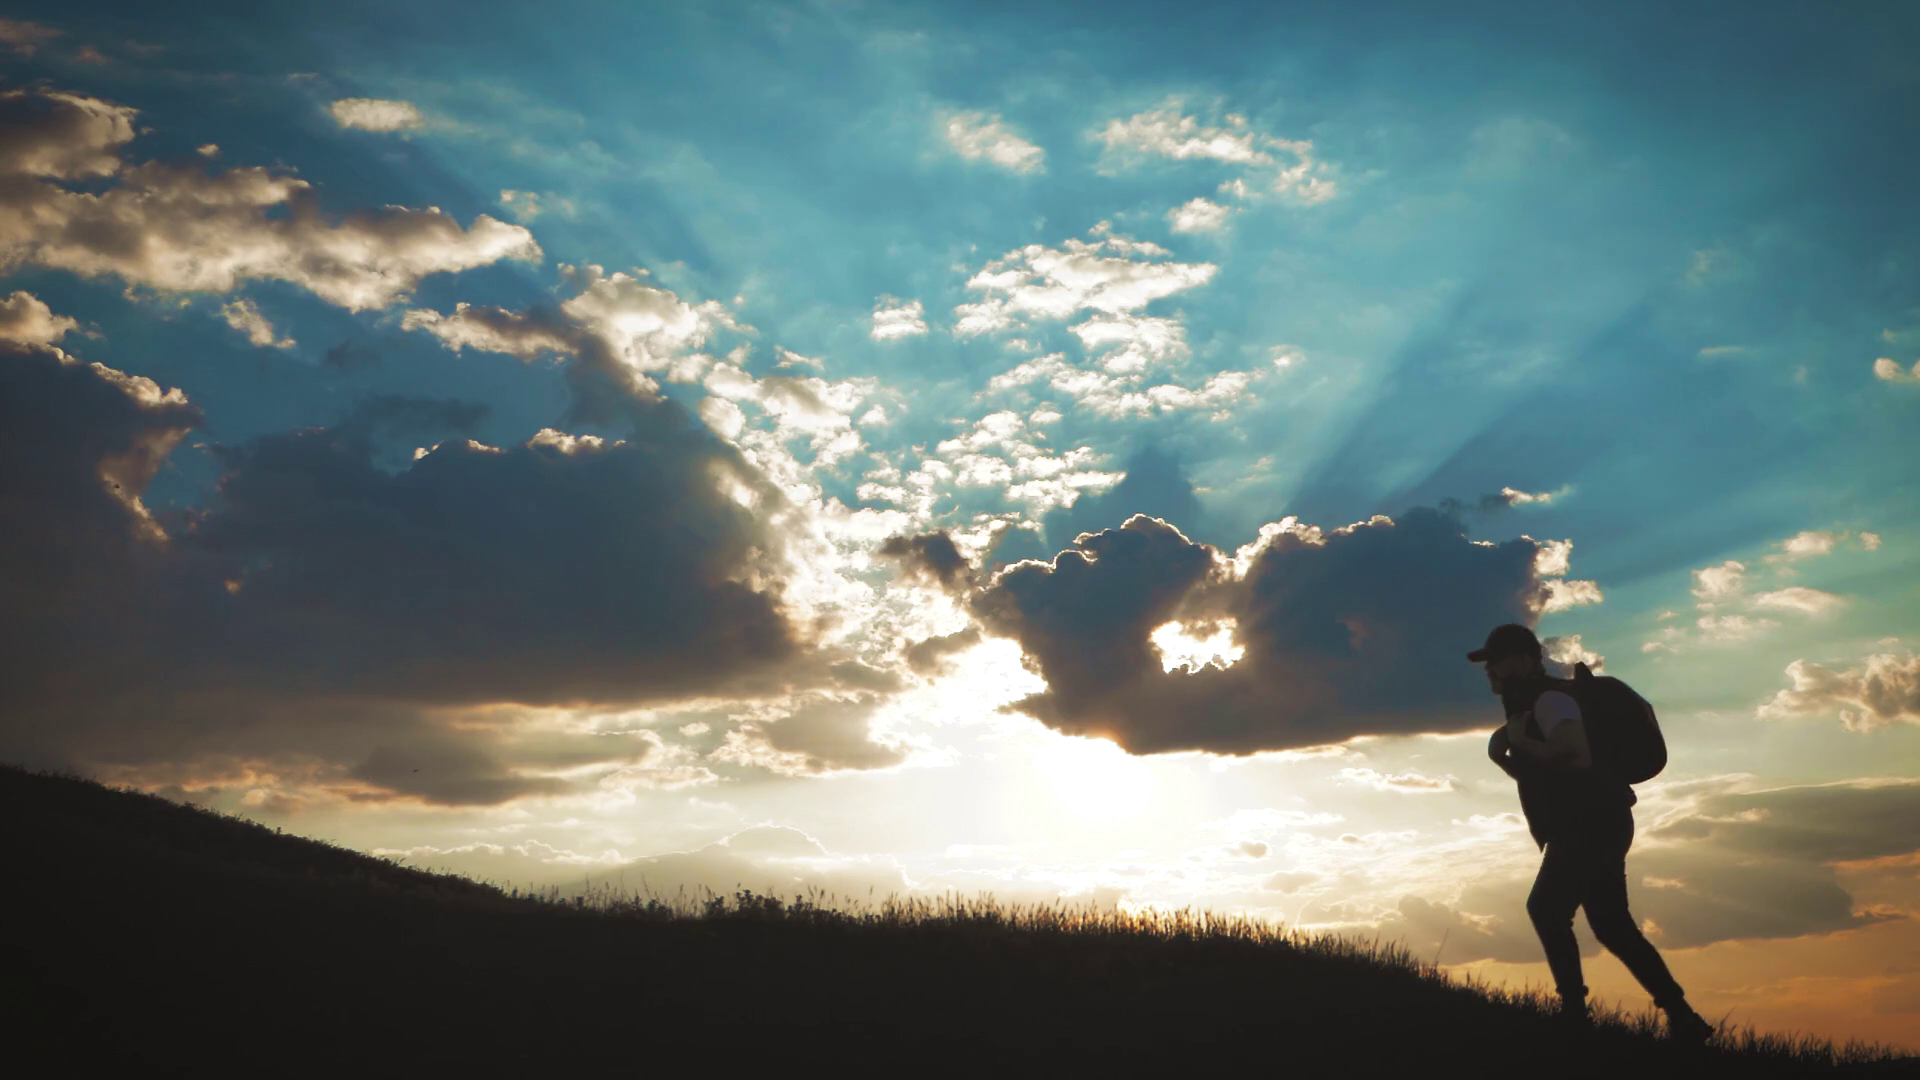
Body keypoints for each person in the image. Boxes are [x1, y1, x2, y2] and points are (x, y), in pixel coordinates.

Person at [1472, 623, 1715, 1044]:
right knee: (1613, 926)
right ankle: (1684, 1018)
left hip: (1591, 821)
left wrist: (1520, 745)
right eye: (1487, 663)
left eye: (1498, 661)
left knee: (1547, 909)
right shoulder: (1533, 706)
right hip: (1595, 820)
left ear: (1528, 660)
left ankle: (1573, 1016)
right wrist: (1506, 758)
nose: (1490, 670)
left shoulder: (1550, 700)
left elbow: (1575, 757)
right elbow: (1545, 771)